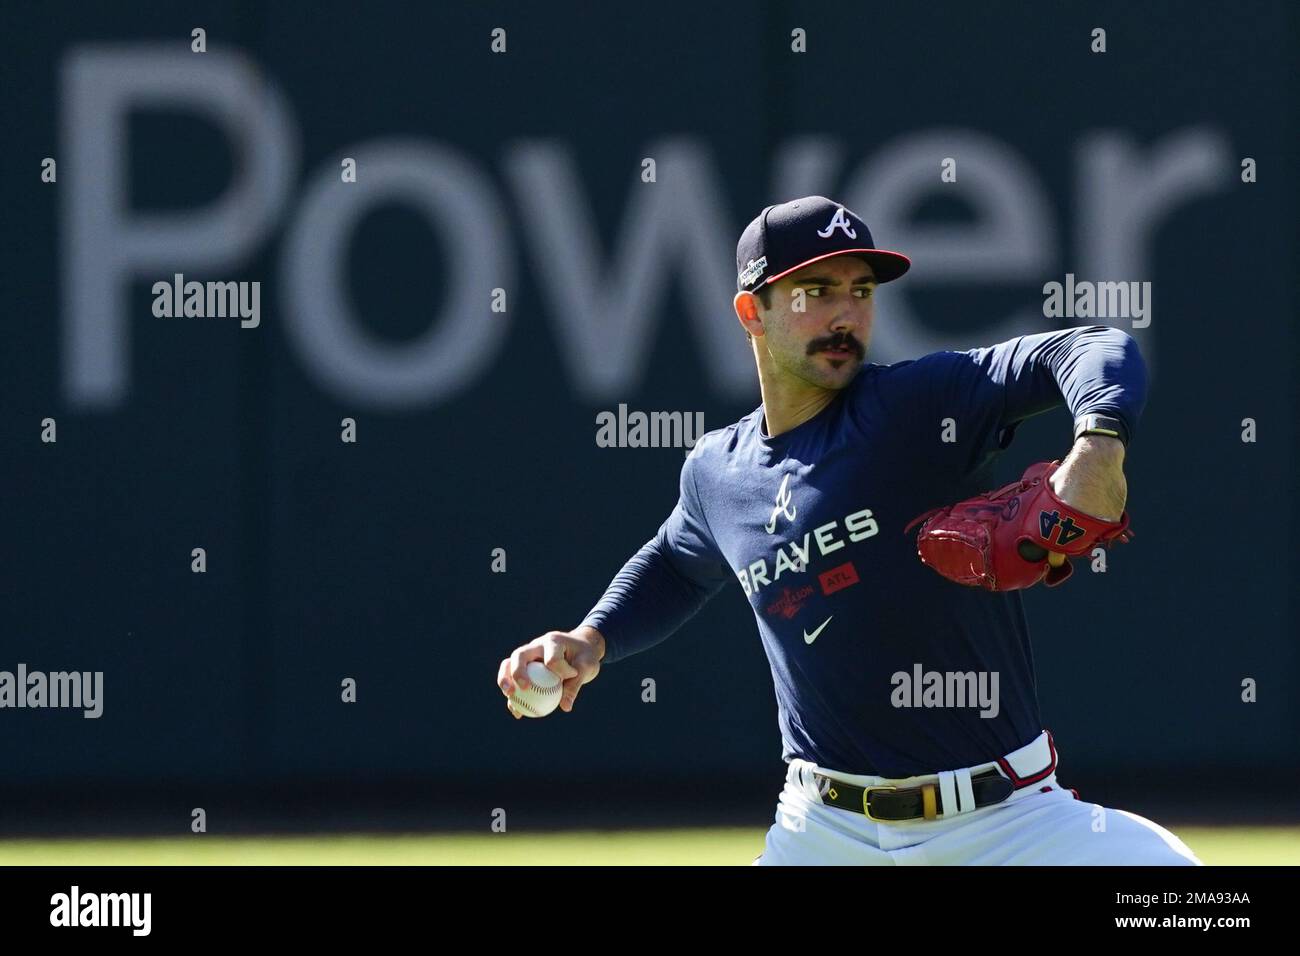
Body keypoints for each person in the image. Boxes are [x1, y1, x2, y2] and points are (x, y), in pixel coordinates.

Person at [496, 196, 1201, 865]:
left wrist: (1099, 443)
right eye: (815, 292)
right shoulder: (717, 471)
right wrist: (590, 638)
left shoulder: (916, 409)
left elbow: (1091, 345)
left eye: (860, 291)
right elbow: (679, 564)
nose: (844, 314)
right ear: (752, 312)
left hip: (1007, 826)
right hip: (823, 832)